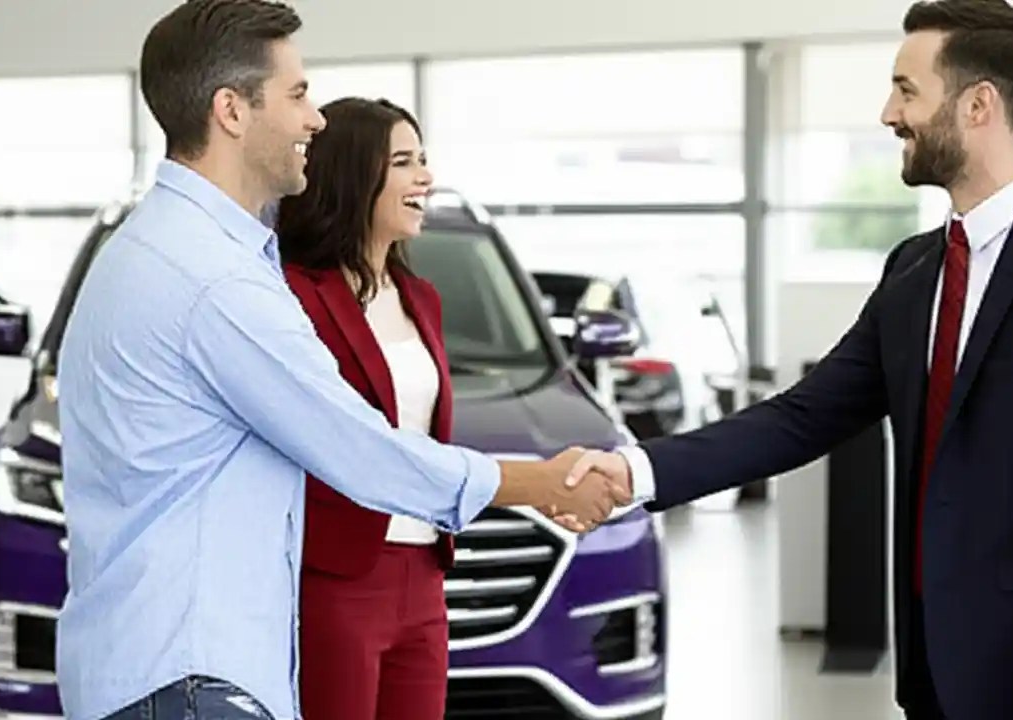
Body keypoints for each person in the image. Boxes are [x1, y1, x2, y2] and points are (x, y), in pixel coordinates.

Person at [569, 1, 1013, 719]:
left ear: (979, 104)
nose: (889, 113)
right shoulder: (914, 270)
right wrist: (636, 470)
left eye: (907, 89)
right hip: (935, 676)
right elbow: (803, 416)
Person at [54, 3, 623, 720]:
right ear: (231, 110)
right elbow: (360, 451)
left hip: (152, 672)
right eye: (296, 94)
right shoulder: (214, 281)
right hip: (190, 682)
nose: (315, 120)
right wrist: (541, 481)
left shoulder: (154, 249)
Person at [273, 97, 454, 720]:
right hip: (338, 579)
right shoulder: (294, 295)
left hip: (423, 572)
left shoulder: (421, 298)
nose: (424, 177)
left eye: (423, 160)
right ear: (354, 176)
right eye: (403, 161)